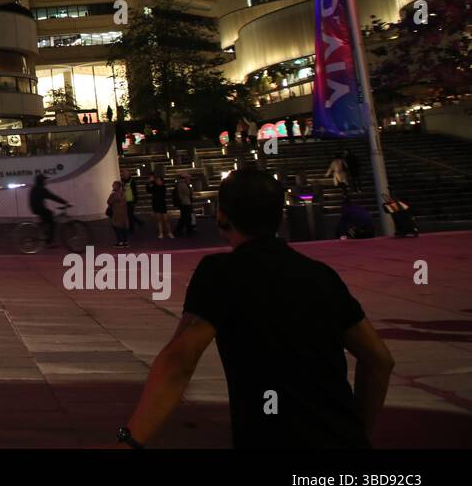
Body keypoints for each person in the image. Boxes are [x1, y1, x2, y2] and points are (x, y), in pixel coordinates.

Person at [118, 167, 393, 449]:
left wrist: (130, 442)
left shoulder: (220, 273)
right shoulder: (321, 275)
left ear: (222, 216)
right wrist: (360, 432)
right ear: (280, 216)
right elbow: (379, 359)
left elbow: (179, 360)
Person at [29, 174, 69, 247]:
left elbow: (52, 196)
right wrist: (65, 202)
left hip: (37, 208)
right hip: (39, 209)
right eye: (44, 180)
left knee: (50, 215)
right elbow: (53, 197)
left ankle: (46, 233)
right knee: (52, 222)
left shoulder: (36, 188)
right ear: (41, 181)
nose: (46, 182)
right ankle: (50, 242)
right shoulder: (40, 189)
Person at [107, 180, 130, 248]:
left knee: (116, 227)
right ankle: (125, 242)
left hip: (117, 213)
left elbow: (109, 201)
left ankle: (120, 242)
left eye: (113, 185)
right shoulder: (123, 193)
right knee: (123, 227)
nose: (112, 186)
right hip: (123, 213)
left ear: (117, 186)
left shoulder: (114, 194)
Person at [147, 173, 170, 239]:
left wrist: (152, 182)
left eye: (159, 180)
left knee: (166, 219)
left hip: (162, 204)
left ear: (162, 181)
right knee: (159, 220)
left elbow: (162, 193)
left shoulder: (163, 187)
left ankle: (169, 232)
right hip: (156, 204)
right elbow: (148, 190)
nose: (158, 181)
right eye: (157, 180)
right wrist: (149, 182)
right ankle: (161, 233)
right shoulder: (154, 186)